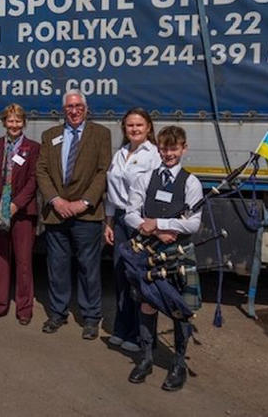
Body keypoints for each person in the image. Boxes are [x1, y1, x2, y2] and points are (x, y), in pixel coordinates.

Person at [122, 125, 203, 391]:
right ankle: (146, 358)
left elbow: (193, 224)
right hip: (150, 251)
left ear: (184, 149)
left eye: (174, 148)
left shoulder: (192, 182)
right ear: (159, 148)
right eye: (165, 148)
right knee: (148, 304)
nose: (169, 153)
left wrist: (162, 223)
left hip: (178, 253)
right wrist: (157, 230)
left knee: (180, 309)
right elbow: (131, 214)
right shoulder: (144, 179)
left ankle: (178, 363)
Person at [35, 91, 111, 339]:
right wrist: (56, 201)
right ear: (63, 110)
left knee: (88, 268)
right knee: (57, 266)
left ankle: (91, 317)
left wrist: (84, 202)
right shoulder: (50, 135)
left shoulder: (101, 134)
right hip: (56, 213)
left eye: (78, 106)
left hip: (86, 214)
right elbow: (42, 171)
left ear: (86, 109)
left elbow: (103, 172)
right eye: (69, 106)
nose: (74, 110)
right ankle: (57, 313)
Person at [104, 108, 161, 352]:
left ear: (148, 127)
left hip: (140, 222)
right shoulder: (121, 153)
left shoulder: (154, 155)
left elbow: (157, 193)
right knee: (121, 277)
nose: (134, 129)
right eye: (130, 126)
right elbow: (111, 192)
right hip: (119, 220)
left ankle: (142, 335)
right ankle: (121, 329)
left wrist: (150, 224)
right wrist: (108, 222)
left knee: (141, 280)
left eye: (139, 125)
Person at [0, 103, 40, 325]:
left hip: (22, 212)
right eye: (10, 120)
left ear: (24, 123)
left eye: (18, 121)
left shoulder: (33, 148)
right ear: (4, 122)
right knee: (0, 260)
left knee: (24, 262)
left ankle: (24, 308)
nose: (14, 125)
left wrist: (15, 204)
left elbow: (35, 179)